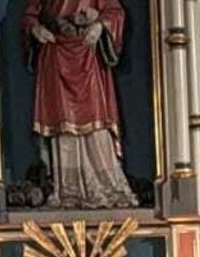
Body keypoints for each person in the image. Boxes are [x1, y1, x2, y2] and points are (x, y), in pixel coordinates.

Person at [23, 0, 139, 207]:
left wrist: (99, 25)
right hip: (56, 52)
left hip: (87, 52)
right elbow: (30, 14)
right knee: (63, 124)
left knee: (97, 123)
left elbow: (114, 11)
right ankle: (68, 190)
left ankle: (106, 186)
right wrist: (35, 28)